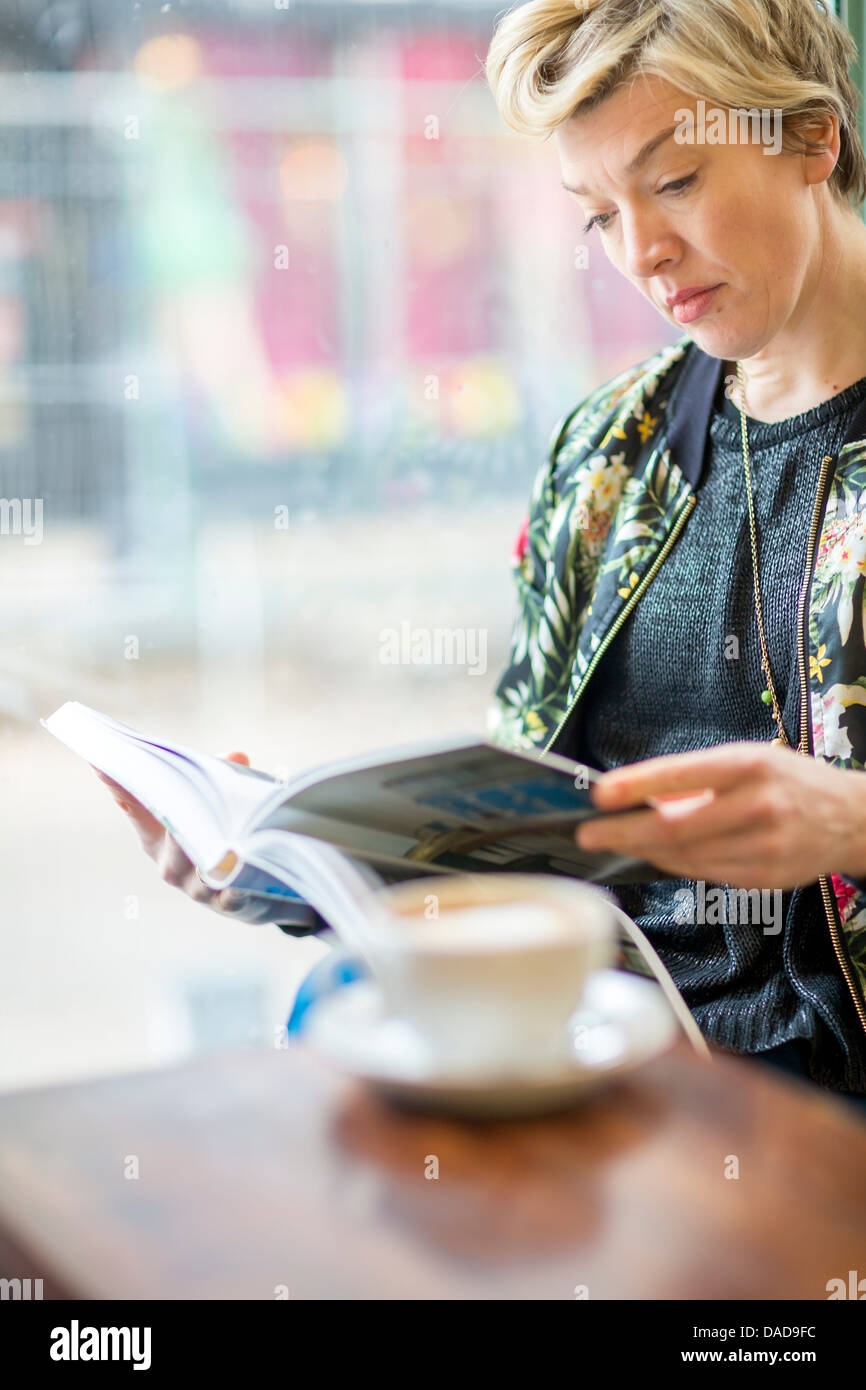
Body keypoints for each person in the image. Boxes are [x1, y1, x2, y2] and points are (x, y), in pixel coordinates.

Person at [99, 0, 866, 1113]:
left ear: (811, 140)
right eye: (597, 215)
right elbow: (526, 829)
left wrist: (847, 823)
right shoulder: (611, 456)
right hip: (584, 1066)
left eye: (675, 180)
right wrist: (287, 867)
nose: (641, 253)